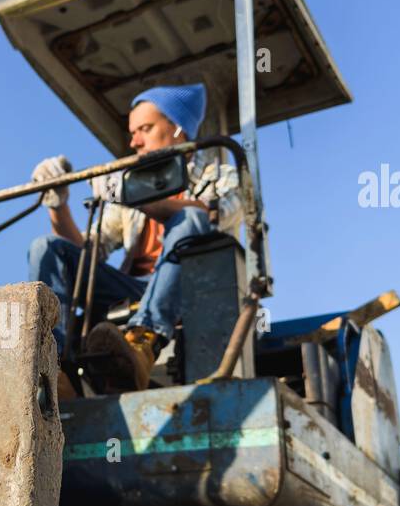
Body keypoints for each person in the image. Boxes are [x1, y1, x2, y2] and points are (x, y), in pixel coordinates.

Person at [28, 83, 242, 392]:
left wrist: (129, 195)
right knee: (45, 247)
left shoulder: (220, 176)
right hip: (132, 289)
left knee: (190, 217)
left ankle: (143, 344)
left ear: (179, 129)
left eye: (145, 128)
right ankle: (54, 367)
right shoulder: (133, 185)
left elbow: (210, 216)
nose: (134, 141)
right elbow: (89, 252)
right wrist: (57, 204)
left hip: (192, 288)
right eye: (133, 132)